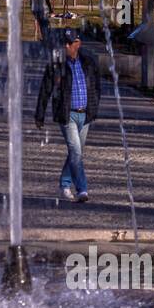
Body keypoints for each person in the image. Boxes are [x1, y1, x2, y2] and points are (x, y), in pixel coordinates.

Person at [36, 29, 102, 202]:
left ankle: (64, 185)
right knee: (75, 151)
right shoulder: (57, 65)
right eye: (64, 42)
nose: (66, 46)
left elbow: (96, 87)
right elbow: (45, 89)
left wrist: (94, 108)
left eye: (70, 43)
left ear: (78, 44)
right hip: (67, 115)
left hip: (85, 115)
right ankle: (82, 189)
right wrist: (40, 114)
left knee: (75, 153)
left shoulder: (88, 63)